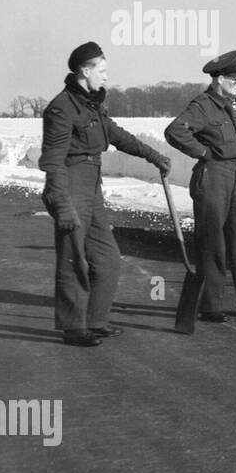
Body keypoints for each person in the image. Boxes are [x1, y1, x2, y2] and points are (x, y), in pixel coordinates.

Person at [40, 41, 172, 347]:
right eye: (102, 70)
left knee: (108, 258)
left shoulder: (91, 104)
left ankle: (96, 321)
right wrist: (62, 205)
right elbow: (53, 161)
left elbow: (116, 134)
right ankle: (74, 327)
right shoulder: (62, 108)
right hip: (71, 185)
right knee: (73, 259)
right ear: (85, 71)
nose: (107, 76)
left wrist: (153, 156)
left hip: (92, 185)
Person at [163, 51, 236, 323]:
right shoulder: (202, 106)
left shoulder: (232, 104)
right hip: (211, 177)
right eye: (235, 80)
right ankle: (211, 305)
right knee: (213, 242)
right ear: (220, 79)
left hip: (233, 177)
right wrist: (203, 153)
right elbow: (175, 131)